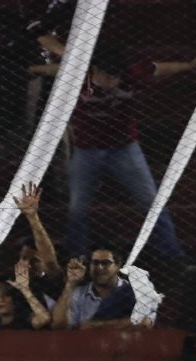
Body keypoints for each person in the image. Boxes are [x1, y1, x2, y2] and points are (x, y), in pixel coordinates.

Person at [30, 47, 194, 259]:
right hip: (87, 150)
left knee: (151, 202)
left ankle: (172, 254)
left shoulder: (132, 73)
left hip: (124, 147)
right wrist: (33, 68)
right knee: (78, 206)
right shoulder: (80, 75)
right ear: (95, 71)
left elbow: (160, 68)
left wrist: (189, 66)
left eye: (115, 77)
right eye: (107, 77)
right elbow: (56, 69)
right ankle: (77, 255)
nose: (111, 82)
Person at [51, 245, 136, 330]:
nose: (100, 267)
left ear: (118, 266)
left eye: (105, 263)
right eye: (95, 263)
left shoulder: (132, 290)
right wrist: (70, 284)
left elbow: (141, 322)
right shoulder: (79, 293)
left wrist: (97, 326)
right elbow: (58, 325)